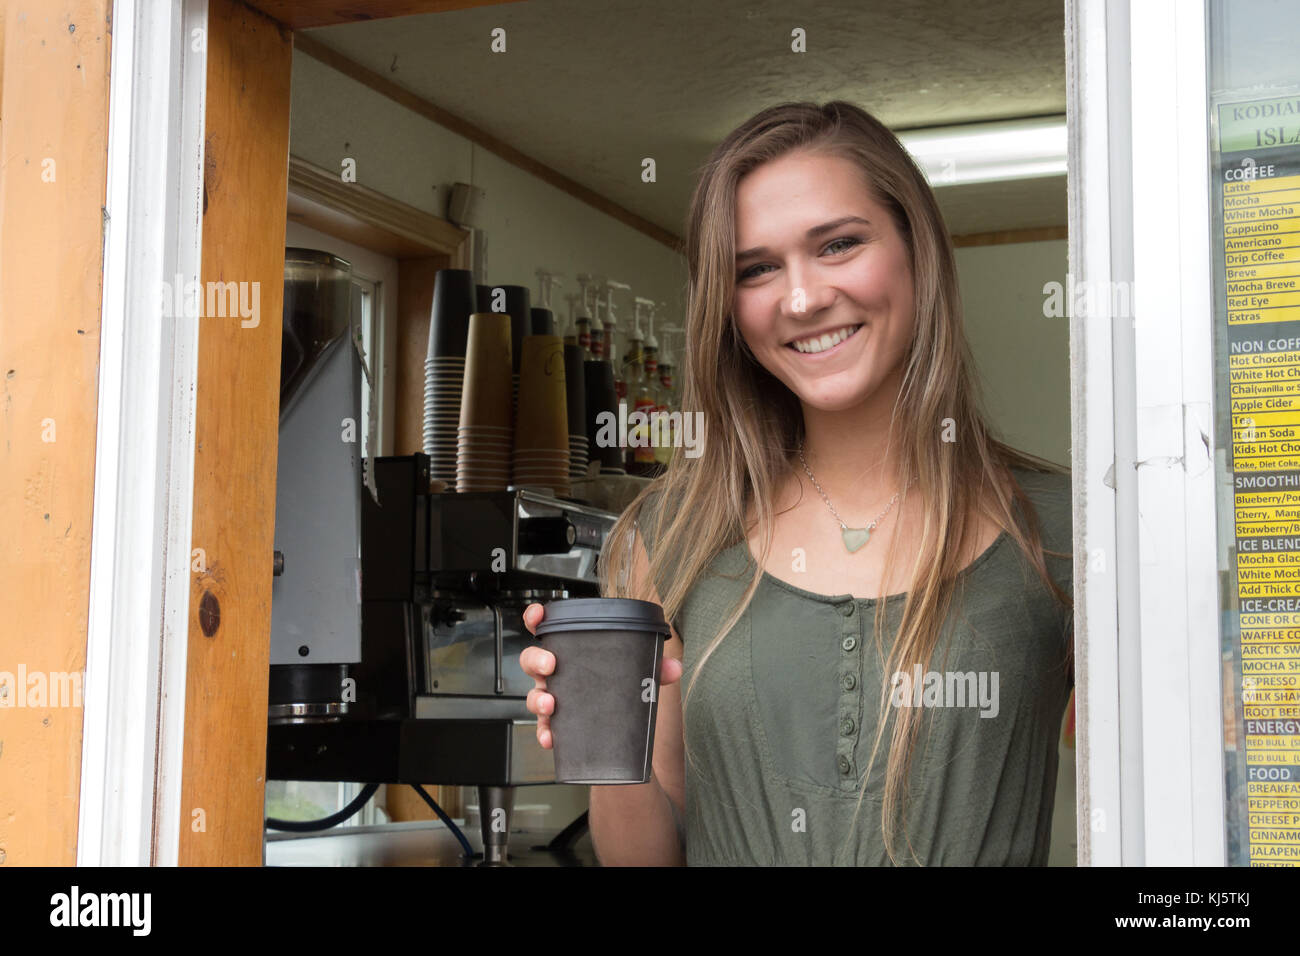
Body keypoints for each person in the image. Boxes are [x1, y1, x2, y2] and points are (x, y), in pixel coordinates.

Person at [519, 100, 1074, 866]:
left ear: (918, 250)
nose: (803, 298)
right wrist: (602, 737)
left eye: (839, 245)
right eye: (757, 269)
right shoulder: (675, 536)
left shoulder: (1062, 530)